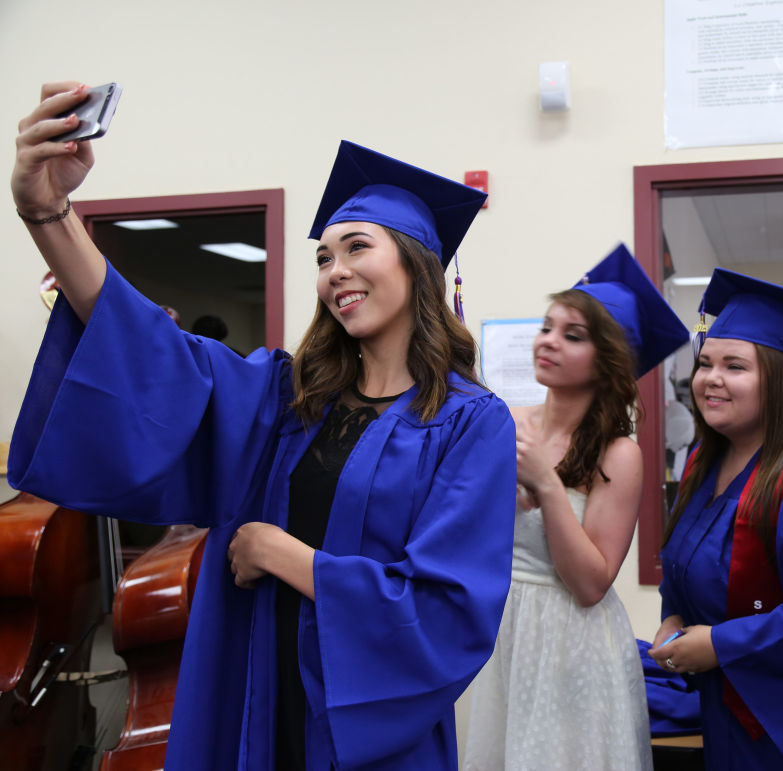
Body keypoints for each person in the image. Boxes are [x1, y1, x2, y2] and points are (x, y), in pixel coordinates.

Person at [9, 82, 516, 770]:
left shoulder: (467, 423)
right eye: (323, 257)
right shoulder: (289, 398)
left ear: (416, 264)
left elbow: (450, 610)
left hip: (366, 723)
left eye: (356, 247)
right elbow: (151, 354)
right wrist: (49, 212)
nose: (335, 271)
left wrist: (286, 556)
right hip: (257, 688)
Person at [463, 244, 688, 771]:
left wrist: (545, 483)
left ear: (607, 360)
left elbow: (590, 585)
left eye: (572, 335)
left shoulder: (619, 453)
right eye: (547, 327)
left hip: (573, 641)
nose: (548, 342)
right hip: (505, 629)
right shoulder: (506, 423)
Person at [651, 269, 783, 769]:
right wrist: (674, 618)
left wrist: (718, 643)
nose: (711, 379)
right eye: (705, 363)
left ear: (776, 380)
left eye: (735, 366)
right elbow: (682, 565)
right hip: (718, 708)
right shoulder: (701, 461)